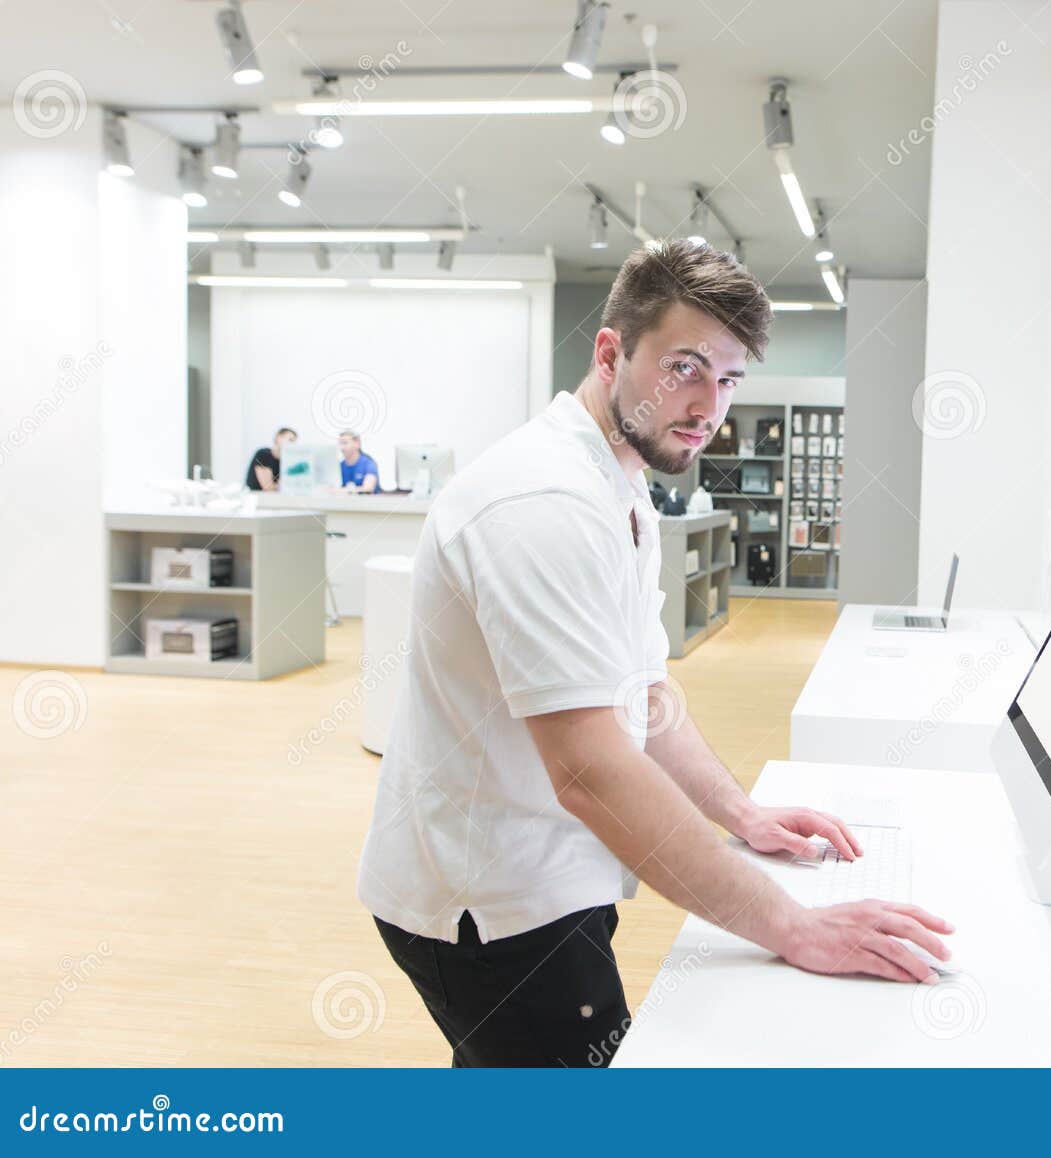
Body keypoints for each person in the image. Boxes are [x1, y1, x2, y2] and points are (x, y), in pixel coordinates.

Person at [356, 241, 951, 1068]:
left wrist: (740, 815)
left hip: (551, 871)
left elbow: (642, 691)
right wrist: (792, 924)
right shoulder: (544, 503)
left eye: (731, 378)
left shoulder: (621, 480)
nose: (711, 403)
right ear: (611, 353)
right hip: (489, 904)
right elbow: (590, 769)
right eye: (685, 367)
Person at [244, 427, 296, 491]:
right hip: (256, 497)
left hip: (272, 498)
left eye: (294, 442)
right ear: (278, 437)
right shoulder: (263, 454)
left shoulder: (285, 461)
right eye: (290, 440)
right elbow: (268, 487)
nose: (292, 444)